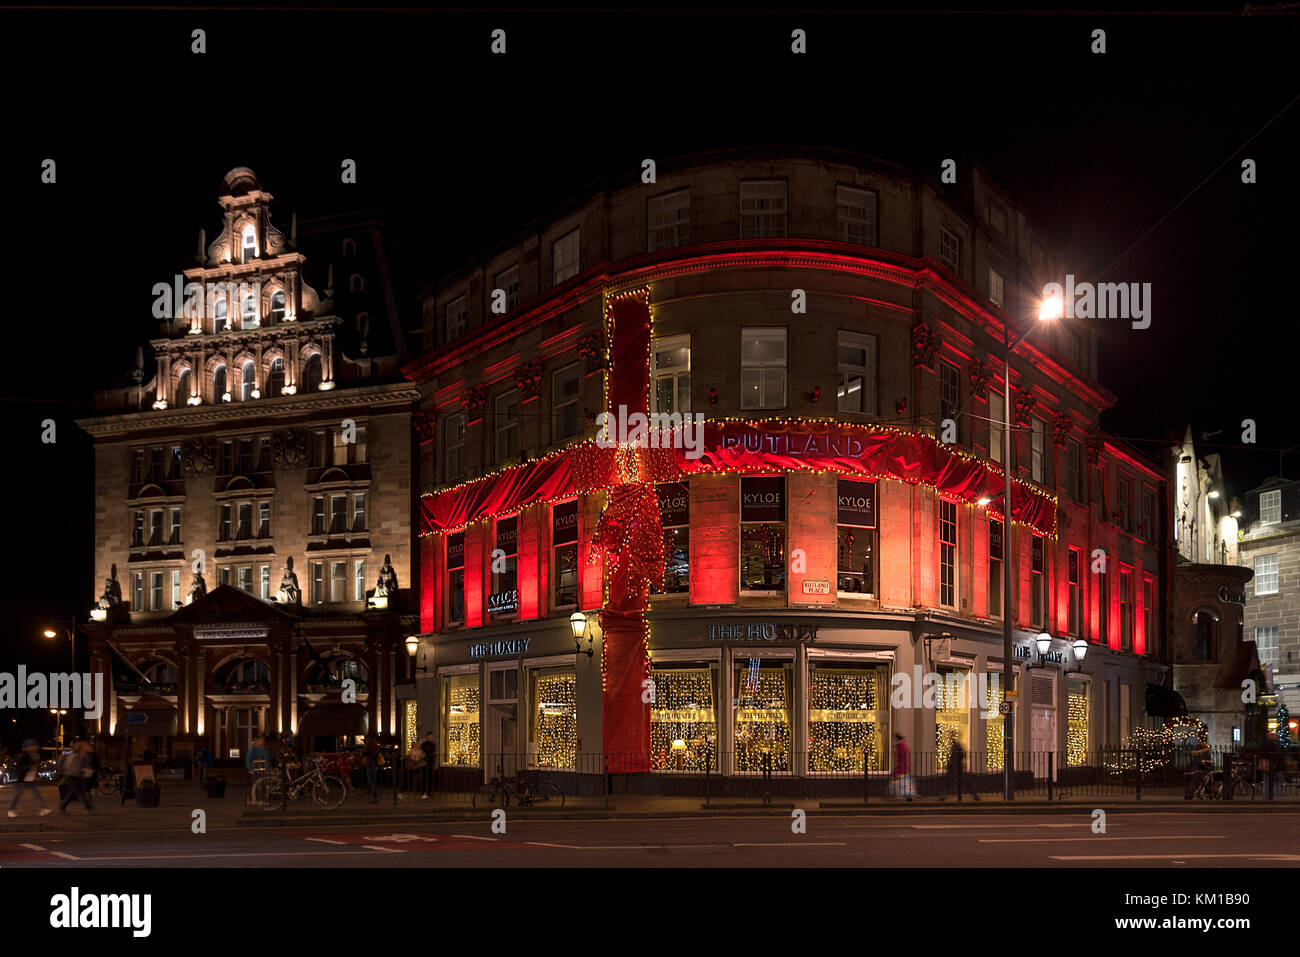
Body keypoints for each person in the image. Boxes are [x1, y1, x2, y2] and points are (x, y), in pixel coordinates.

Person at [7, 740, 53, 818]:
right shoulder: (22, 755)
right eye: (34, 746)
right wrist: (29, 767)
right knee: (17, 795)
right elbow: (18, 767)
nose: (36, 747)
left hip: (30, 778)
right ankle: (11, 811)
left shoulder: (33, 754)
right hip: (22, 779)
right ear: (29, 747)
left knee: (37, 793)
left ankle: (44, 809)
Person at [58, 742, 93, 814]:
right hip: (72, 776)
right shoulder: (75, 755)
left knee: (74, 793)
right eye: (85, 746)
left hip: (78, 776)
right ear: (81, 748)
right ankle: (88, 807)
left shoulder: (84, 755)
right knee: (77, 792)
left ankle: (62, 807)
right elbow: (72, 767)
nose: (87, 747)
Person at [891, 733, 913, 802]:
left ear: (897, 738)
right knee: (904, 782)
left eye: (896, 738)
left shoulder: (901, 746)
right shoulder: (902, 745)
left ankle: (900, 795)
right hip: (903, 765)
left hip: (902, 766)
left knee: (899, 781)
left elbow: (902, 757)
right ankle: (907, 796)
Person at [363, 734, 380, 803]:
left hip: (370, 764)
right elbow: (377, 754)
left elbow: (363, 753)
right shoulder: (376, 746)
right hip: (375, 764)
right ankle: (375, 797)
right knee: (374, 782)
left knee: (371, 782)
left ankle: (374, 798)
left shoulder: (367, 747)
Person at [420, 731, 437, 799]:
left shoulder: (433, 744)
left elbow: (434, 755)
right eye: (430, 737)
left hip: (430, 763)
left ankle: (429, 793)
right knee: (424, 779)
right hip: (424, 764)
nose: (431, 738)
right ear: (427, 737)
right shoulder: (424, 744)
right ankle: (423, 792)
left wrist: (435, 763)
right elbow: (423, 754)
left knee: (430, 779)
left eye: (432, 737)